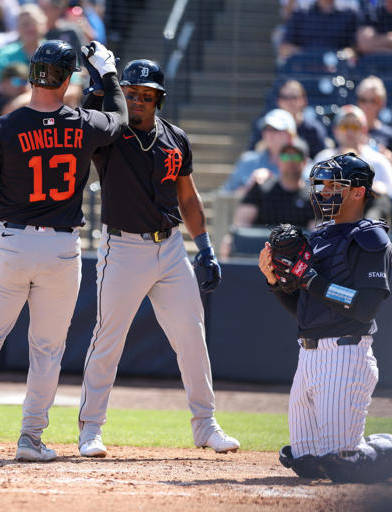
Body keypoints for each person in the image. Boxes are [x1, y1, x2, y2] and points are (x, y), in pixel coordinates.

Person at [0, 39, 128, 462]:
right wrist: (110, 74)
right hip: (61, 248)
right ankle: (30, 439)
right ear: (66, 79)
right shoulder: (82, 123)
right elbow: (119, 119)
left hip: (10, 241)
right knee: (47, 349)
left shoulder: (4, 128)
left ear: (33, 73)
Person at [76, 59, 239, 458]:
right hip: (123, 247)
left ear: (158, 100)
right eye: (130, 93)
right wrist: (98, 87)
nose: (137, 101)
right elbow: (81, 124)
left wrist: (204, 246)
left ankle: (205, 425)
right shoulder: (111, 132)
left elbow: (188, 196)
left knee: (191, 335)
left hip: (169, 248)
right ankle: (90, 430)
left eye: (146, 95)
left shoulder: (174, 138)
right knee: (108, 340)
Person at [258, 153, 392, 483]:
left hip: (345, 355)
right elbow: (304, 311)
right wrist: (275, 282)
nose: (323, 192)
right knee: (307, 462)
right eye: (321, 185)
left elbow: (363, 305)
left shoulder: (370, 238)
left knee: (345, 464)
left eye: (333, 185)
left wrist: (312, 280)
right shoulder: (319, 237)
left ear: (358, 191)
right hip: (308, 357)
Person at [220, 138, 316, 259]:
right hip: (261, 253)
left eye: (296, 157)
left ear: (305, 161)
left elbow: (315, 232)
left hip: (298, 258)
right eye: (286, 157)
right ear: (278, 160)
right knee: (228, 242)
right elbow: (241, 224)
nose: (290, 161)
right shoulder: (262, 188)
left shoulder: (313, 196)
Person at [312, 105, 392, 200]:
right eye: (344, 126)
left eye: (355, 126)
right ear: (335, 130)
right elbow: (311, 196)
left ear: (364, 130)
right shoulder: (322, 159)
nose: (349, 131)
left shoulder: (379, 162)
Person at [246, 80, 328, 158]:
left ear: (303, 100)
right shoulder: (266, 127)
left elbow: (321, 161)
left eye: (294, 97)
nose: (290, 101)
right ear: (279, 101)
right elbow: (251, 156)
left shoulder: (313, 130)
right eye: (285, 97)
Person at [224, 108, 296, 195]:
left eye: (276, 129)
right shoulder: (248, 161)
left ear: (290, 135)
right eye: (266, 128)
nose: (269, 134)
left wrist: (272, 182)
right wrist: (250, 188)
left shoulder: (303, 165)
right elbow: (224, 195)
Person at [357, 75, 392, 180]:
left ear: (382, 104)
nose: (368, 105)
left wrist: (390, 160)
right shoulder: (349, 131)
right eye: (363, 100)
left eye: (373, 101)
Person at [278, 0, 362, 62]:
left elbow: (355, 49)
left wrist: (341, 55)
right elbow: (285, 48)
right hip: (305, 73)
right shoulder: (301, 14)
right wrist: (310, 56)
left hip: (337, 75)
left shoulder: (349, 15)